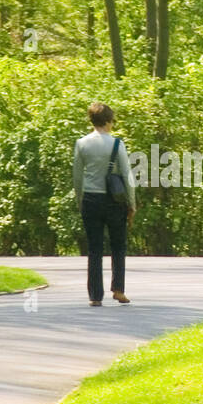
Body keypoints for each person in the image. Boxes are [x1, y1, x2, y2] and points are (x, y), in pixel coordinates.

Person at [72, 102, 136, 306]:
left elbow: (77, 177)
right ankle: (118, 290)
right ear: (108, 121)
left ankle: (95, 296)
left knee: (94, 248)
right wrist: (132, 203)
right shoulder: (117, 144)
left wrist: (80, 200)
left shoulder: (81, 143)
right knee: (118, 245)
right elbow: (127, 175)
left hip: (90, 198)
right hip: (114, 201)